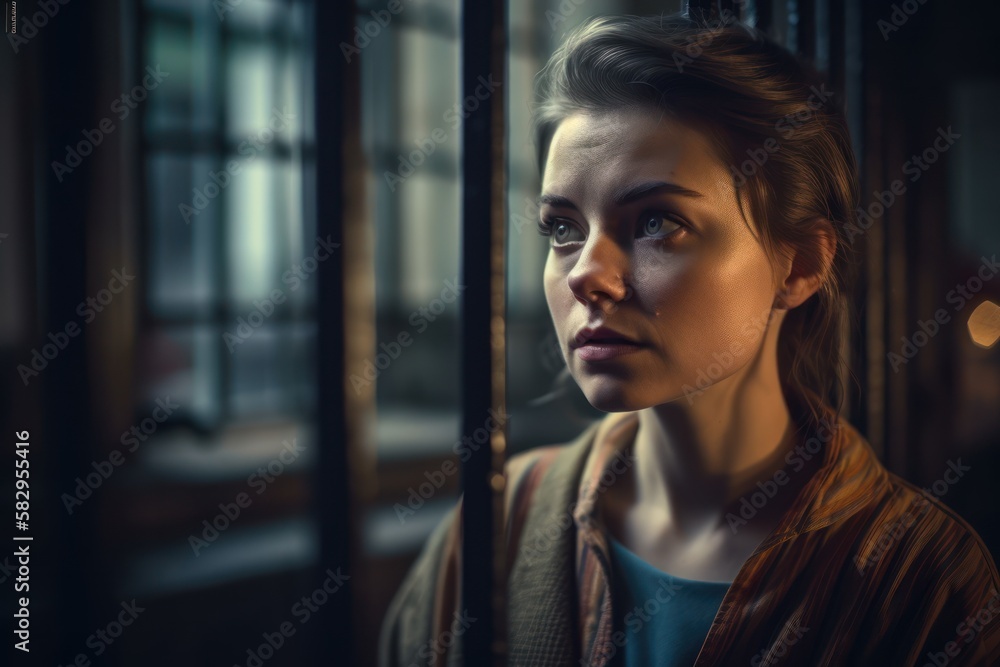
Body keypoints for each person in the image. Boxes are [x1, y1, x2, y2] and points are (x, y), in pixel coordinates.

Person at [380, 13, 1000, 667]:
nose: (587, 272)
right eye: (563, 228)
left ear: (799, 264)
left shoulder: (923, 586)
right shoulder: (499, 527)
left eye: (657, 221)